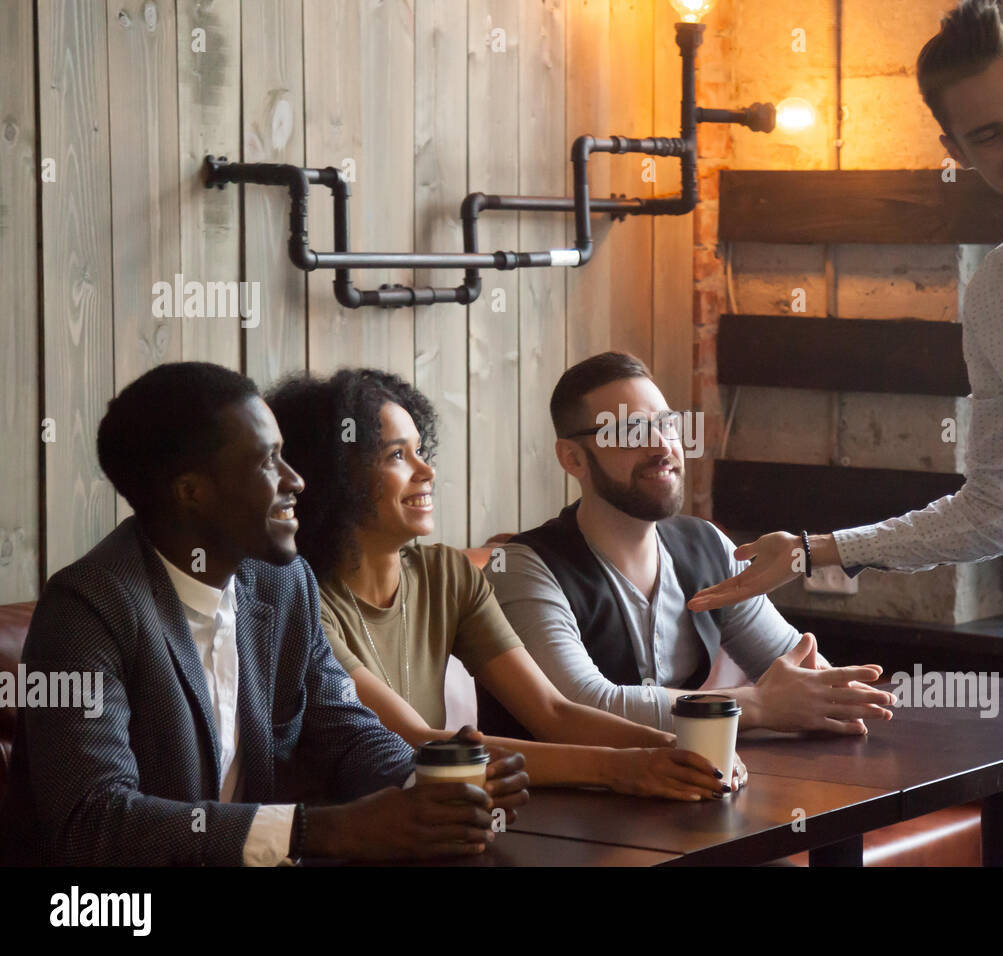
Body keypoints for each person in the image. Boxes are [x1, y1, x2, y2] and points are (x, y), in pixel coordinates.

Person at [686, 0, 1003, 866]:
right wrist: (814, 548)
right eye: (989, 135)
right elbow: (996, 510)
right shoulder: (992, 298)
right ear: (955, 153)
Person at [0, 362, 526, 866]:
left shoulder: (280, 583)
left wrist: (434, 782)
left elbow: (344, 731)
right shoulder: (88, 609)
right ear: (191, 492)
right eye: (267, 461)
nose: (295, 480)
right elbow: (95, 821)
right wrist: (321, 830)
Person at [265, 368, 740, 801]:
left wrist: (683, 749)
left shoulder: (445, 575)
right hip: (342, 836)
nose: (426, 471)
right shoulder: (302, 600)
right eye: (396, 455)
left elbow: (552, 712)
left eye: (420, 451)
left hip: (438, 821)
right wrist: (623, 768)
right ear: (334, 475)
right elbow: (420, 743)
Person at [481, 351, 894, 738]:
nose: (662, 445)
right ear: (573, 459)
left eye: (667, 424)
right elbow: (583, 704)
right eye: (630, 431)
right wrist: (757, 705)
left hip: (675, 793)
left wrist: (836, 696)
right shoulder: (522, 569)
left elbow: (793, 667)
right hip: (547, 807)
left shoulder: (707, 546)